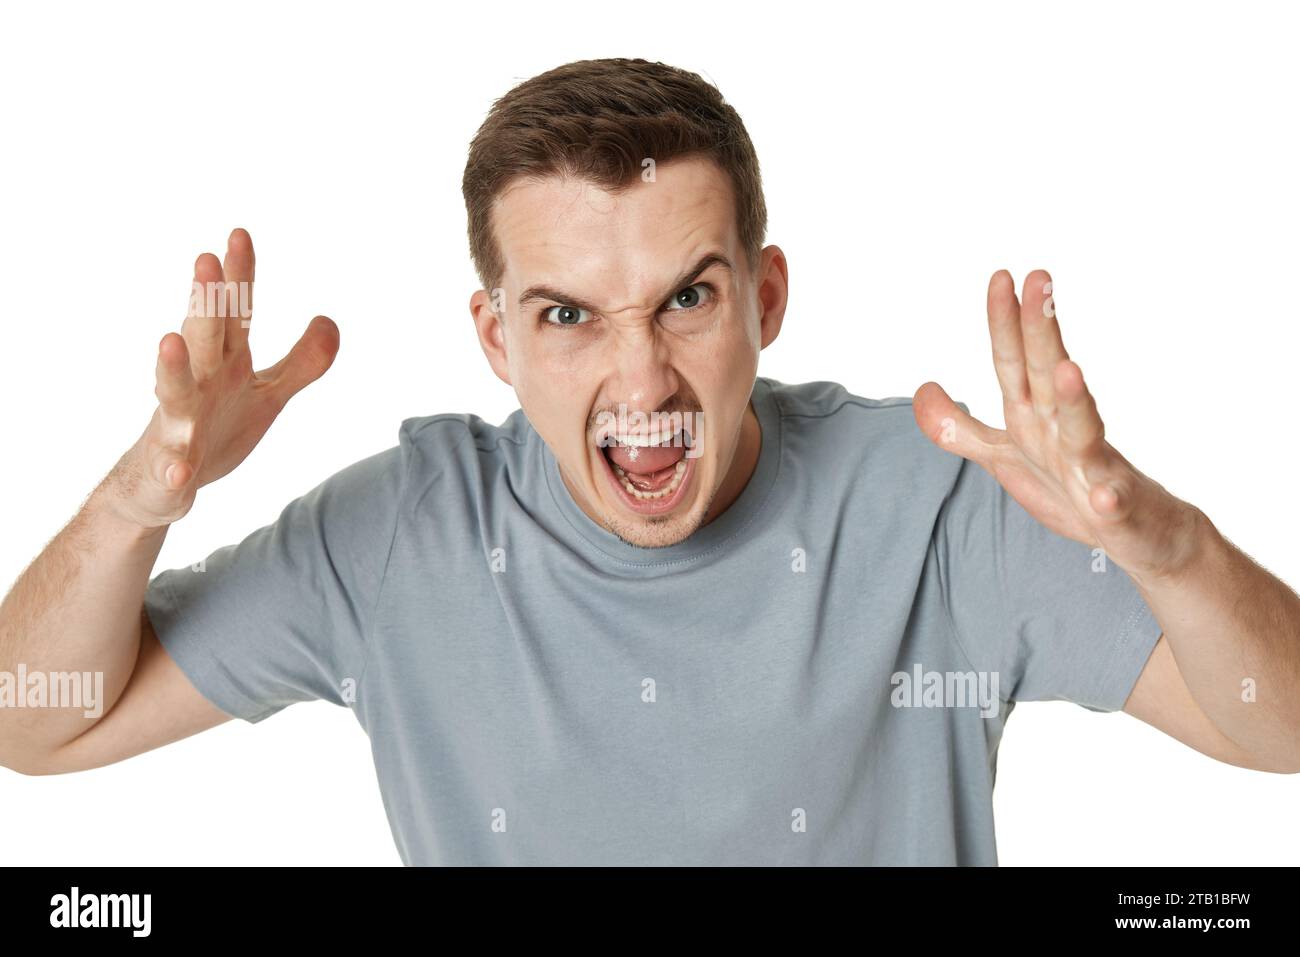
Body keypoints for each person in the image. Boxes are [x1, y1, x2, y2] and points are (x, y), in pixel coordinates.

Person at [2, 57, 1297, 866]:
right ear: (494, 337)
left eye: (687, 297)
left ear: (766, 299)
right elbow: (34, 724)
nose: (642, 381)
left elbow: (1283, 730)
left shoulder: (942, 499)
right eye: (568, 314)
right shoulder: (401, 537)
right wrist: (139, 502)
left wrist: (1167, 545)